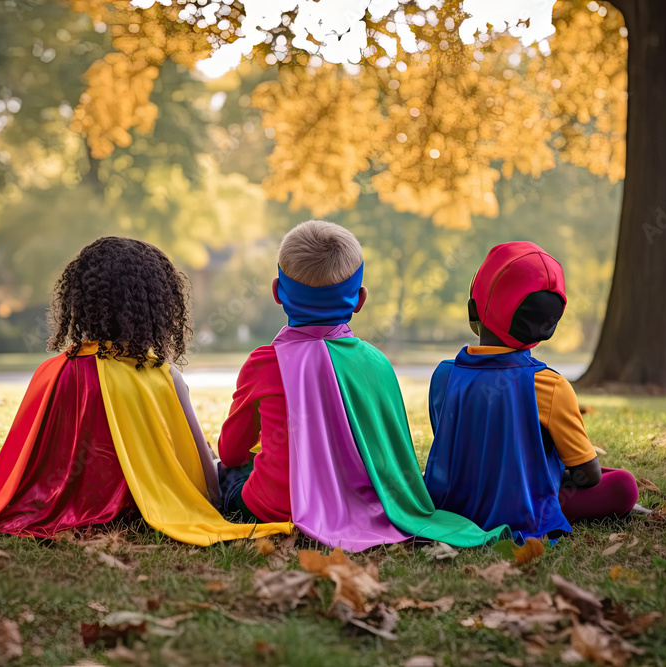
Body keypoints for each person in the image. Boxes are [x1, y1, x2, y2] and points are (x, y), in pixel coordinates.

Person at [0, 237, 290, 545]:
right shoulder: (161, 376)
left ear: (80, 303)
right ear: (160, 308)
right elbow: (204, 483)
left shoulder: (52, 372)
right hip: (147, 509)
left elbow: (19, 469)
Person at [217, 220, 509, 551]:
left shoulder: (264, 363)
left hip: (278, 508)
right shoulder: (377, 363)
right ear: (360, 299)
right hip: (371, 506)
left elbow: (230, 451)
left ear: (276, 291)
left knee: (228, 476)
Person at [424, 241, 639, 541]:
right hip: (522, 510)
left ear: (474, 308)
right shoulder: (549, 385)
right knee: (623, 485)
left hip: (454, 504)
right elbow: (588, 475)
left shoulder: (445, 375)